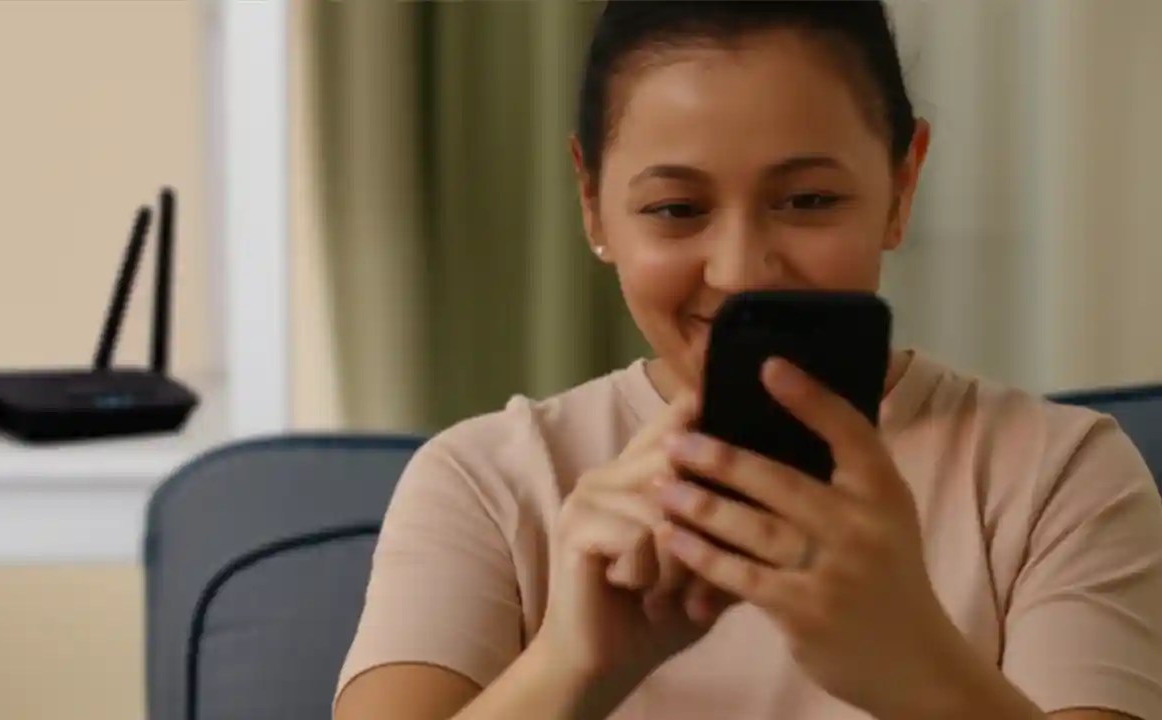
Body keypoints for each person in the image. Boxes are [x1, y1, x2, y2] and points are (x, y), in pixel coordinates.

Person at [334, 2, 1162, 719]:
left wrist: (915, 666)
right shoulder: (487, 484)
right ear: (593, 203)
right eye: (675, 208)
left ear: (902, 183)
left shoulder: (1058, 478)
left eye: (808, 200)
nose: (740, 271)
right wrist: (571, 664)